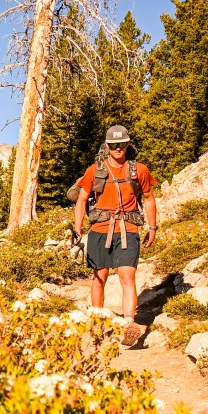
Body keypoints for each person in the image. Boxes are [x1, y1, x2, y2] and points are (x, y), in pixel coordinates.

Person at [72, 125, 158, 347]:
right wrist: (78, 228)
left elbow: (148, 198)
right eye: (113, 145)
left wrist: (153, 227)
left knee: (126, 276)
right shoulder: (94, 170)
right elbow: (82, 200)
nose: (118, 149)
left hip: (128, 228)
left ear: (128, 144)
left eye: (122, 144)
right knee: (99, 277)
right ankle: (97, 322)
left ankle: (129, 323)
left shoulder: (140, 170)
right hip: (100, 229)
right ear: (107, 146)